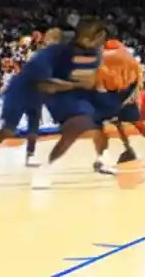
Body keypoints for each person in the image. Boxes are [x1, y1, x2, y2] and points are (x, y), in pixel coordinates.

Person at [28, 18, 111, 189]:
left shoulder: (93, 55)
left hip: (78, 94)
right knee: (74, 129)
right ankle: (43, 167)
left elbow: (91, 80)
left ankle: (101, 159)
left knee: (98, 125)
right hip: (59, 94)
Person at [0, 28, 62, 167]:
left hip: (35, 94)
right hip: (19, 92)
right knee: (9, 129)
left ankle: (30, 156)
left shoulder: (47, 56)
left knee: (34, 128)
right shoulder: (37, 56)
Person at [93, 39, 145, 168]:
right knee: (116, 122)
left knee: (137, 123)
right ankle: (128, 148)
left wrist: (133, 95)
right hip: (114, 93)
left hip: (127, 94)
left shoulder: (127, 64)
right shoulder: (105, 65)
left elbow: (138, 80)